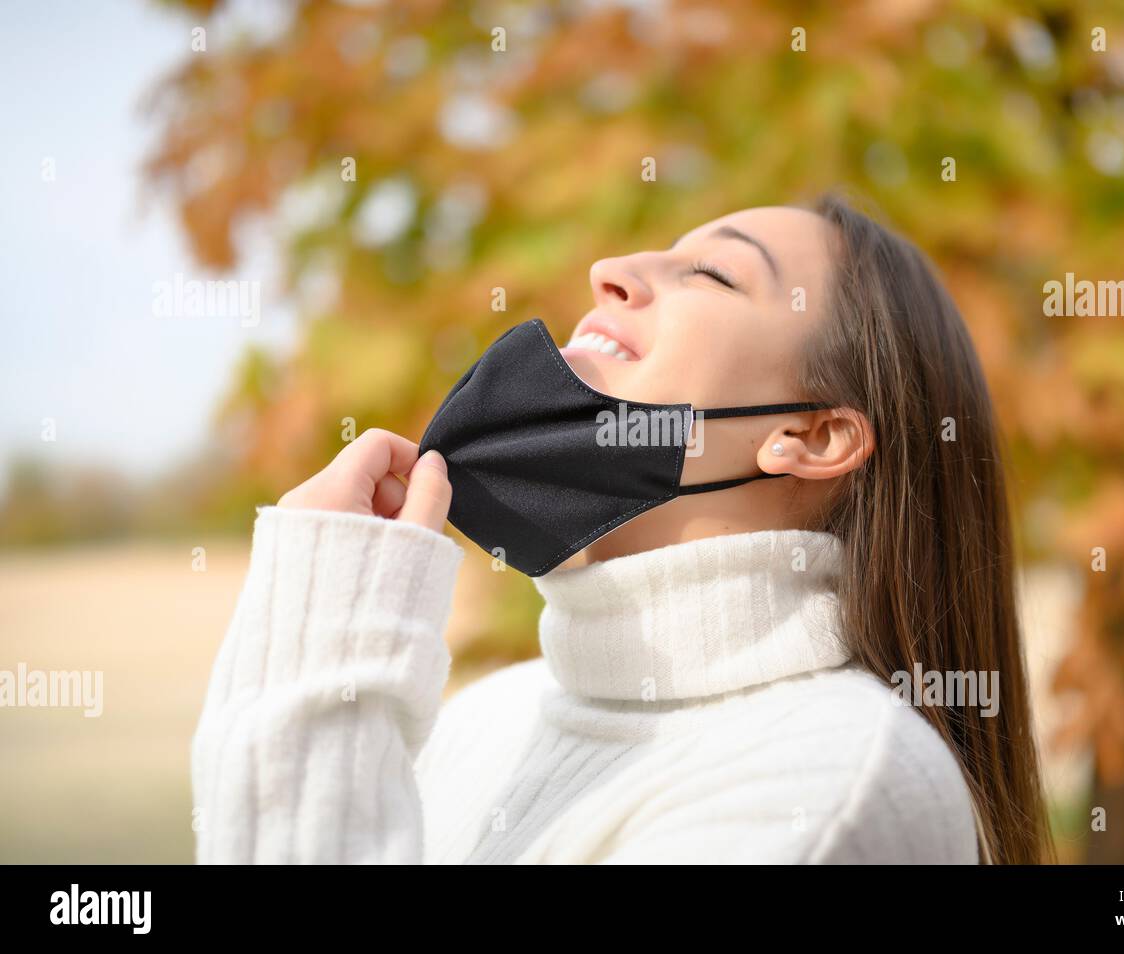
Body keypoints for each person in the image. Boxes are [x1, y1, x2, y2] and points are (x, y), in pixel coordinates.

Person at [191, 191, 1053, 864]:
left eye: (713, 275)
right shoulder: (488, 717)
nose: (609, 269)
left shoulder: (843, 775)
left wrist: (328, 654)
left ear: (814, 436)